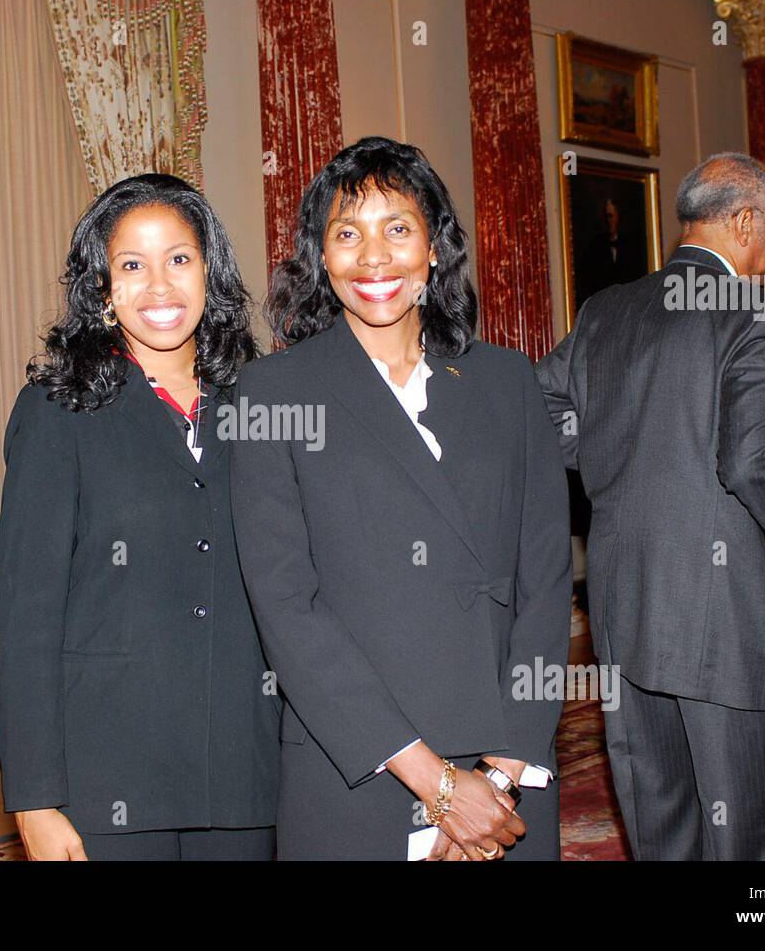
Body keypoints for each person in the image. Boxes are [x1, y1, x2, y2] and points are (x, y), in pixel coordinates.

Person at [229, 136, 572, 861]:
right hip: (358, 760)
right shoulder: (273, 393)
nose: (374, 257)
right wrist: (438, 786)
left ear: (435, 247)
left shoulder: (509, 381)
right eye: (347, 234)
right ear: (321, 257)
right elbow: (285, 606)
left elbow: (546, 581)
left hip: (503, 753)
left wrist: (499, 776)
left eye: (398, 228)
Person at [535, 152, 765, 860]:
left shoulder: (608, 309)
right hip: (735, 625)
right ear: (745, 223)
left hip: (627, 612)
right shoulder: (760, 312)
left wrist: (614, 461)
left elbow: (539, 412)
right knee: (752, 843)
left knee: (661, 830)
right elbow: (752, 458)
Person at [0, 173, 278, 860]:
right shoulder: (57, 410)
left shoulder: (261, 402)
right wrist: (34, 797)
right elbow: (27, 617)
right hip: (108, 773)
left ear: (210, 271)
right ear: (101, 287)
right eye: (131, 265)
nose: (159, 285)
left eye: (179, 259)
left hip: (243, 768)